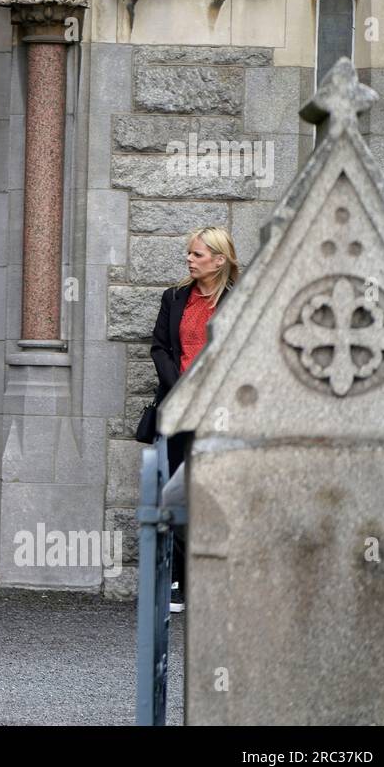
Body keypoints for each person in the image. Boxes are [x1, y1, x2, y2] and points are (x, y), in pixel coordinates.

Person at [151, 226, 239, 613]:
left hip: (220, 412)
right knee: (176, 493)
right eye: (189, 253)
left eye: (197, 254)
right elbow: (159, 347)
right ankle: (177, 581)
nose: (189, 259)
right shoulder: (174, 297)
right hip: (179, 409)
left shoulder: (239, 302)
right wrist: (182, 389)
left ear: (219, 260)